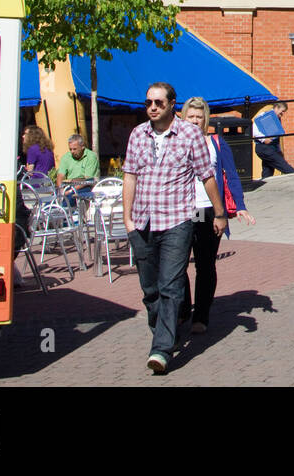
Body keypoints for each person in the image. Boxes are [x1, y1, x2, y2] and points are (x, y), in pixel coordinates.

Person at [123, 82, 227, 375]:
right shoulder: (137, 135)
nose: (152, 108)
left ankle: (161, 349)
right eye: (148, 103)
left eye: (158, 102)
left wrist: (220, 213)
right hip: (143, 221)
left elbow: (208, 176)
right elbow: (129, 177)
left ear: (171, 104)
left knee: (171, 285)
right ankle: (164, 329)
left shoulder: (190, 134)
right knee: (150, 290)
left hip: (177, 222)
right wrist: (128, 219)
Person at [178, 96, 255, 333]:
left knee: (205, 263)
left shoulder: (215, 142)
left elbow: (231, 175)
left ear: (205, 119)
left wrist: (239, 205)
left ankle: (200, 316)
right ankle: (181, 310)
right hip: (179, 211)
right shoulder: (174, 142)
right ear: (183, 117)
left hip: (207, 210)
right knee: (177, 264)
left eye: (199, 117)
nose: (194, 121)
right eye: (190, 116)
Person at [252, 101, 292, 178]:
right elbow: (254, 130)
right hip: (264, 147)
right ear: (276, 108)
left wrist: (279, 150)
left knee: (268, 170)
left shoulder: (276, 118)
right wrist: (264, 139)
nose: (282, 114)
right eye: (282, 111)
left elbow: (276, 137)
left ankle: (265, 185)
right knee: (283, 165)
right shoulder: (264, 116)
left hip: (270, 148)